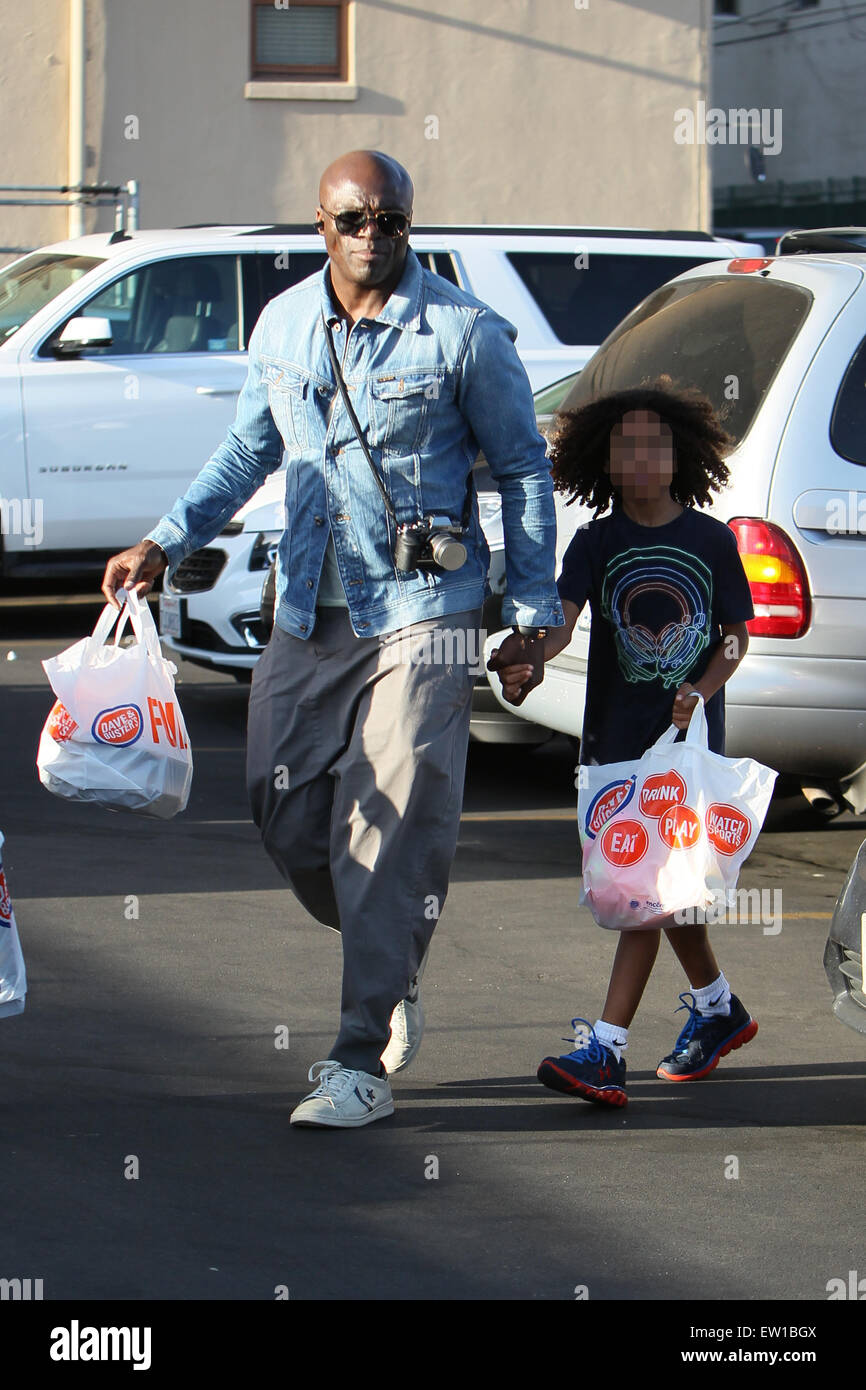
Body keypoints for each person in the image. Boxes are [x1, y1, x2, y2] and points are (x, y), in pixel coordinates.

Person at [101, 150, 562, 1129]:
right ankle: (385, 953)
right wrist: (167, 537)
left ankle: (357, 1056)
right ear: (321, 226)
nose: (371, 236)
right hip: (306, 606)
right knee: (282, 809)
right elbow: (245, 448)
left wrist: (528, 612)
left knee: (389, 821)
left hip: (425, 609)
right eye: (352, 220)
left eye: (388, 220)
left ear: (408, 223)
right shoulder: (281, 326)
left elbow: (521, 469)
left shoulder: (464, 333)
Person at [488, 382, 757, 1107]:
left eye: (655, 443)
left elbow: (736, 635)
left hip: (680, 748)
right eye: (625, 445)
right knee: (660, 894)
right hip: (612, 747)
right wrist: (528, 656)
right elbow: (563, 623)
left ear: (681, 456)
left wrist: (701, 688)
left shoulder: (710, 539)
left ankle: (605, 1051)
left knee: (644, 893)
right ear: (604, 462)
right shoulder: (596, 542)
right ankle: (716, 1007)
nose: (641, 457)